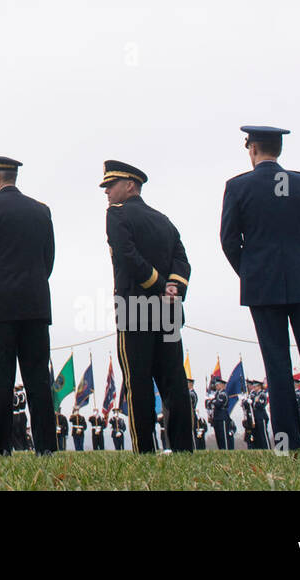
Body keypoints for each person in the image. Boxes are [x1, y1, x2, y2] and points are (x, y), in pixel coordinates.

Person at [221, 126, 300, 450]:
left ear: (253, 148)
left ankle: (288, 444)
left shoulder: (237, 187)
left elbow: (229, 241)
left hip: (263, 287)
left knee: (277, 366)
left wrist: (252, 273)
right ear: (278, 150)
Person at [102, 160, 194, 453]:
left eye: (110, 185)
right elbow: (182, 261)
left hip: (134, 309)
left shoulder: (116, 216)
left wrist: (156, 285)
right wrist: (173, 289)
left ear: (130, 185)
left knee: (138, 382)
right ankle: (183, 448)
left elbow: (128, 256)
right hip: (167, 311)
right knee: (174, 382)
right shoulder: (164, 220)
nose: (106, 192)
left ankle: (144, 449)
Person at [0, 155, 55, 455]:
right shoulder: (41, 211)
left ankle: (1, 447)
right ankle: (46, 447)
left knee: (0, 381)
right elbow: (48, 261)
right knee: (38, 380)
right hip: (35, 304)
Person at [210, 378, 230, 449]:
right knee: (218, 436)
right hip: (217, 417)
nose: (216, 386)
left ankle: (226, 449)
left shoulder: (223, 394)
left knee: (223, 436)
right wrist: (213, 401)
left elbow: (218, 404)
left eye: (218, 385)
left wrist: (213, 401)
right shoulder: (217, 394)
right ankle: (221, 449)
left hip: (222, 416)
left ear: (222, 385)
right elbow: (210, 404)